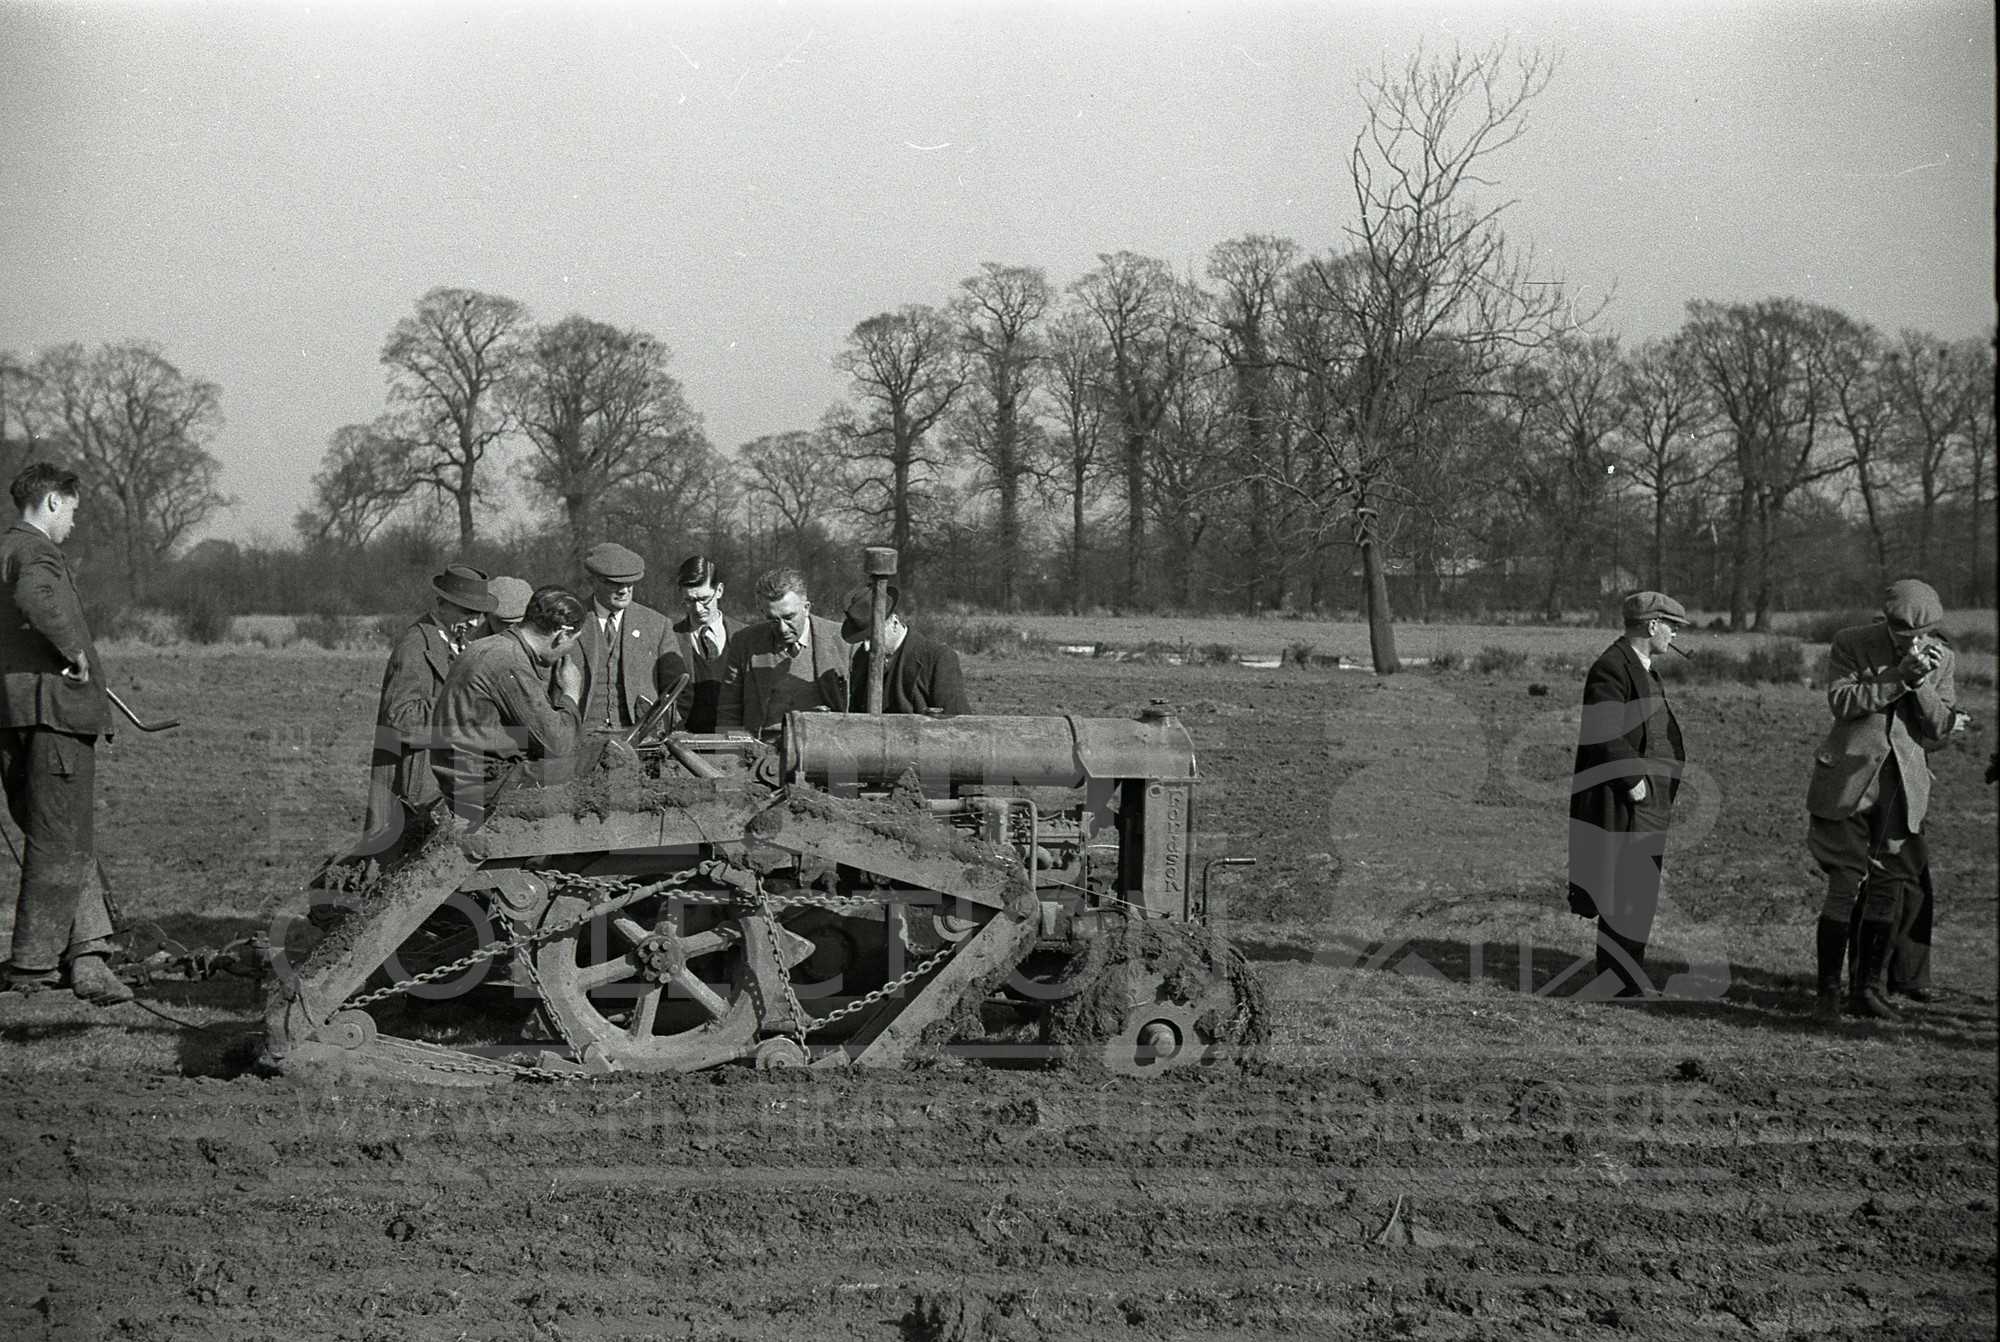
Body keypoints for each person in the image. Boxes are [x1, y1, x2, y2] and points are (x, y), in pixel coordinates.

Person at [0, 462, 130, 1004]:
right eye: (72, 510)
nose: (73, 522)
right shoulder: (36, 552)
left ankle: (91, 957)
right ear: (52, 502)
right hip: (53, 714)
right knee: (62, 838)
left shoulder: (4, 546)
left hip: (13, 715)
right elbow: (37, 596)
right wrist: (74, 652)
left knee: (55, 833)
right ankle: (33, 965)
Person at [1806, 579, 1957, 1022]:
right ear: (1886, 621)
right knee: (1843, 886)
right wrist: (1897, 679)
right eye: (1902, 633)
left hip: (1902, 790)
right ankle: (1827, 995)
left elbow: (1941, 729)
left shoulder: (1943, 658)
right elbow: (1842, 701)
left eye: (1921, 634)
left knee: (1888, 889)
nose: (1913, 641)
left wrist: (1923, 684)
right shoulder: (1850, 642)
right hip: (1847, 786)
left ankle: (1867, 991)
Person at [1566, 591, 1689, 1001]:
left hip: (1650, 803)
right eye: (1672, 625)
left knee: (1639, 892)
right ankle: (1617, 984)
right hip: (1629, 800)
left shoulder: (1643, 667)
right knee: (1624, 893)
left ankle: (1627, 979)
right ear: (1652, 625)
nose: (1674, 634)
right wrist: (1633, 781)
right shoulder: (1612, 667)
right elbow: (1604, 731)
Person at [361, 563, 494, 855]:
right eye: (467, 612)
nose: (474, 622)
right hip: (412, 789)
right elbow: (401, 719)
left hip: (438, 784)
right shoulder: (415, 646)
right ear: (441, 604)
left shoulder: (456, 643)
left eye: (479, 614)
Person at [430, 585, 588, 825]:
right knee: (600, 760)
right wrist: (570, 693)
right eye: (574, 641)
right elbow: (558, 744)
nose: (570, 649)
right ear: (562, 634)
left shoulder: (491, 646)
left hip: (464, 776)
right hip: (485, 786)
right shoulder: (508, 662)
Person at [714, 568, 849, 738]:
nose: (782, 628)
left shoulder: (843, 642)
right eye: (773, 619)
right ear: (762, 612)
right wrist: (730, 759)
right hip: (761, 751)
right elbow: (729, 709)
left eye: (789, 617)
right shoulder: (745, 642)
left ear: (806, 608)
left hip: (823, 752)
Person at [571, 542, 670, 734]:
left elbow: (677, 691)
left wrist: (659, 731)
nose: (624, 590)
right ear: (593, 581)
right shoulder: (570, 620)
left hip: (639, 739)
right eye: (614, 583)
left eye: (630, 583)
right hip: (581, 738)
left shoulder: (657, 625)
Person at [840, 584, 969, 716]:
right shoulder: (861, 658)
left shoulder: (937, 658)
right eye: (863, 640)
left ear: (894, 624)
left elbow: (957, 724)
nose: (866, 647)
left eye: (871, 637)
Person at [663, 555, 742, 733]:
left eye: (705, 599)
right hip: (686, 744)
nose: (698, 609)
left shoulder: (745, 636)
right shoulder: (669, 638)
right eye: (690, 600)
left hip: (736, 741)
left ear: (719, 590)